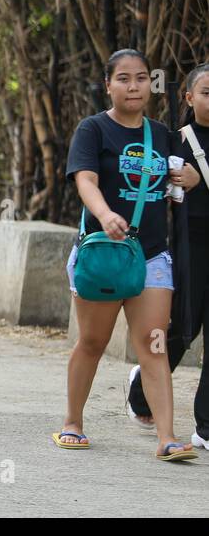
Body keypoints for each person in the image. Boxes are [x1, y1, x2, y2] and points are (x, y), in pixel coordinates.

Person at [57, 49, 201, 461]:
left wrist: (189, 178)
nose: (134, 86)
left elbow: (182, 177)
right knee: (93, 341)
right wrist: (104, 214)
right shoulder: (93, 130)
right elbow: (84, 179)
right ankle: (73, 422)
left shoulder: (163, 134)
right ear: (108, 85)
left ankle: (168, 438)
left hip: (151, 256)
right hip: (103, 250)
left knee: (154, 345)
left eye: (141, 78)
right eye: (123, 79)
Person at [127, 63, 209, 450]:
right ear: (189, 98)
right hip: (190, 246)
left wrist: (201, 179)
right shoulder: (176, 139)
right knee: (184, 328)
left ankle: (205, 428)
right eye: (206, 92)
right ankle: (141, 388)